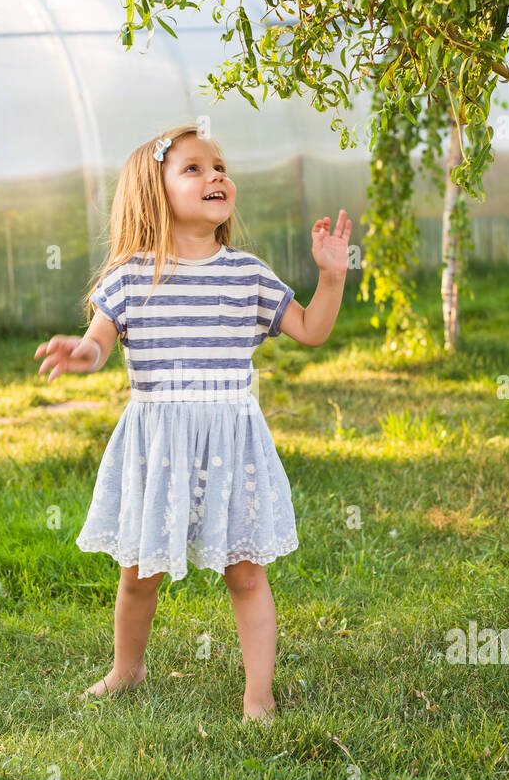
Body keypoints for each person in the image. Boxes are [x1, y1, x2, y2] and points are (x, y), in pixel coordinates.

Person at [33, 124, 351, 722]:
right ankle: (127, 669)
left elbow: (311, 330)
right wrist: (83, 355)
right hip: (158, 445)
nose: (216, 177)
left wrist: (331, 277)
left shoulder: (248, 275)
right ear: (156, 194)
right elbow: (98, 344)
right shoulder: (128, 278)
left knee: (248, 575)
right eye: (195, 169)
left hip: (231, 442)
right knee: (139, 574)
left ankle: (259, 694)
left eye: (220, 166)